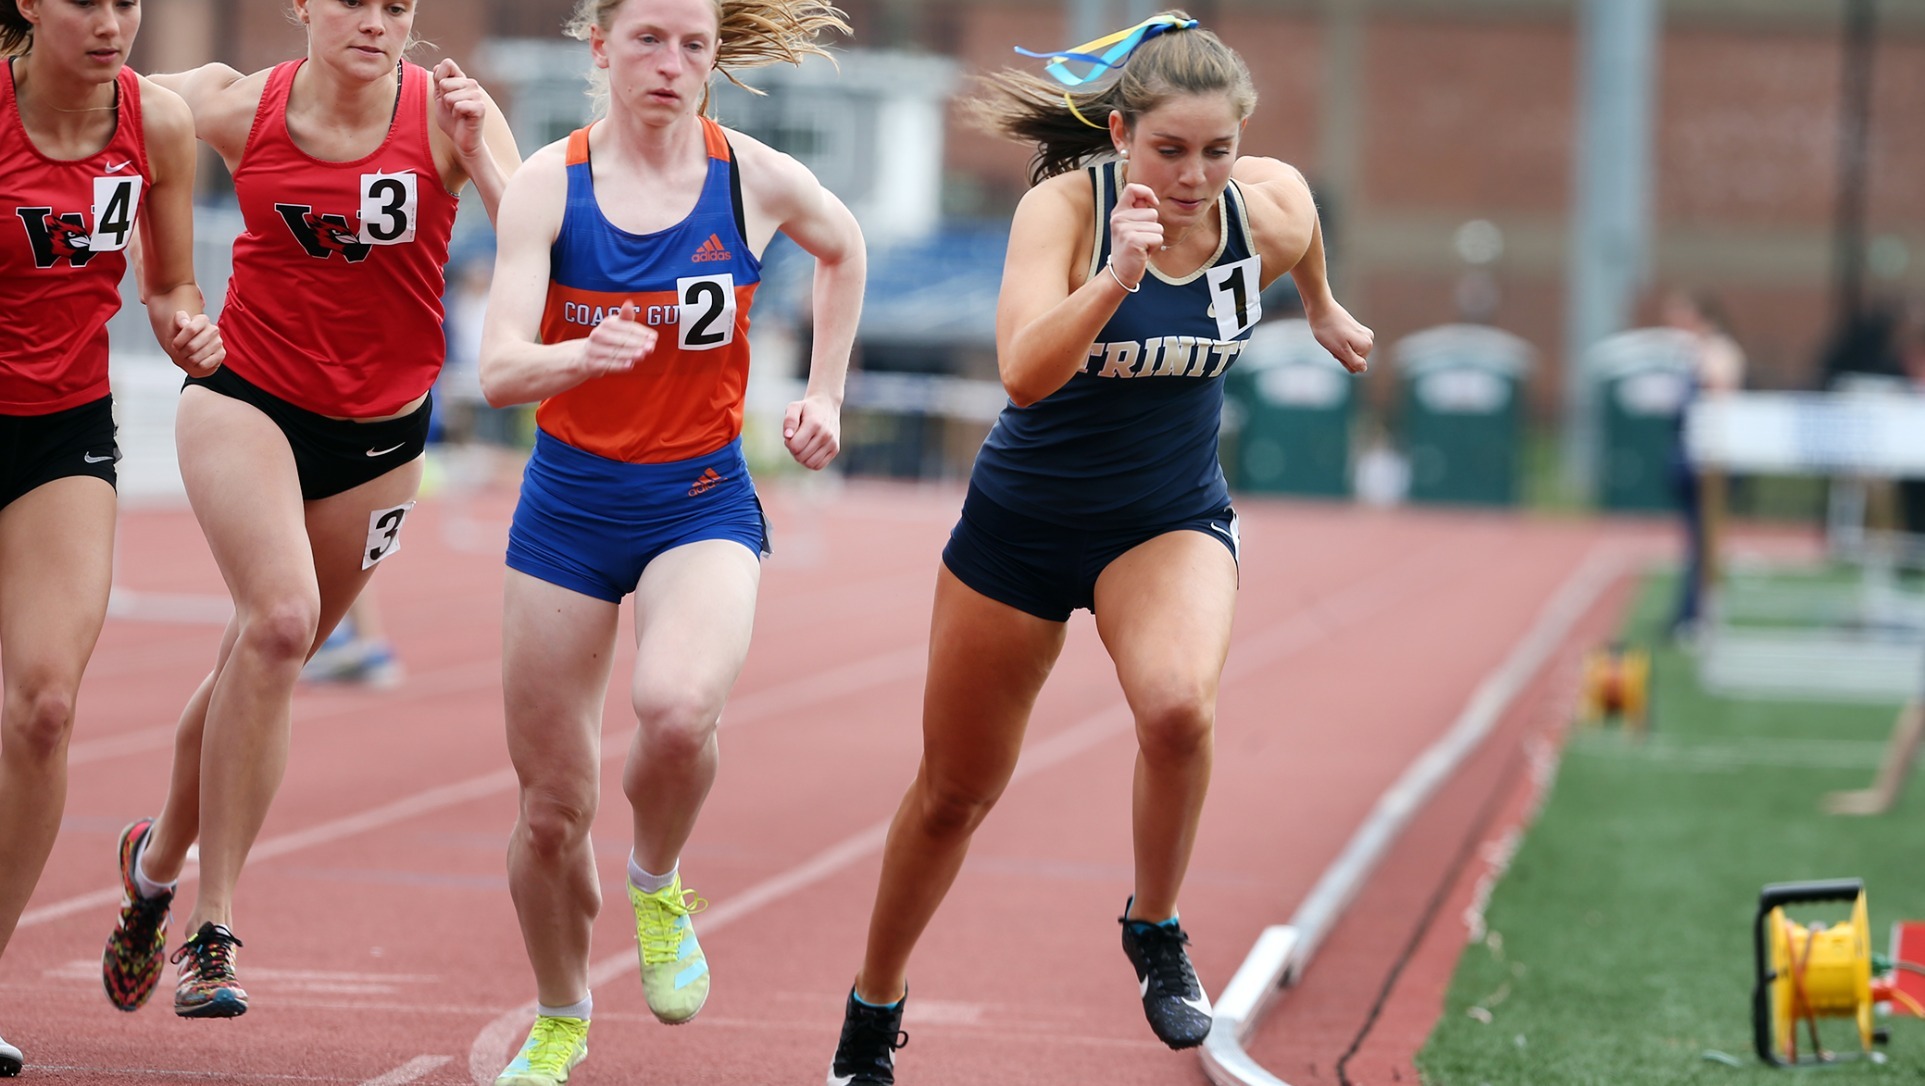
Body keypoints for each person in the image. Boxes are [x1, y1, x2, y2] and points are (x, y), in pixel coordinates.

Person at [825, 13, 1373, 1083]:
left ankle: (1154, 926)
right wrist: (1115, 276)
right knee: (952, 794)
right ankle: (872, 1006)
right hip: (1022, 528)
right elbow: (1022, 373)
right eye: (1169, 150)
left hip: (1164, 519)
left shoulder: (1262, 209)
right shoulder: (1064, 212)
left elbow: (1300, 219)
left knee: (1176, 709)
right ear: (1119, 135)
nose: (1193, 176)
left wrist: (1322, 306)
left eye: (1216, 151)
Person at [98, 0, 518, 1021]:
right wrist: (169, 293)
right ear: (302, 6)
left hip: (379, 437)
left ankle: (151, 866)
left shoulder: (449, 113)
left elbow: (546, 248)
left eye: (397, 7)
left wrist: (480, 155)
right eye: (354, 2)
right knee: (281, 624)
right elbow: (105, 116)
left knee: (258, 659)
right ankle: (213, 926)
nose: (376, 22)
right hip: (246, 394)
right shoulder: (234, 105)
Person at [476, 0, 863, 1081]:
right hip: (567, 507)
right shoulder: (549, 185)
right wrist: (576, 357)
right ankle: (561, 1016)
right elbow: (498, 369)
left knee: (678, 711)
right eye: (647, 38)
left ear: (713, 58)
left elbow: (843, 248)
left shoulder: (753, 180)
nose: (670, 63)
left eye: (693, 44)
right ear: (599, 44)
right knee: (550, 815)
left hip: (698, 498)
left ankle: (656, 883)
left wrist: (826, 393)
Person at [0, 0, 222, 1071]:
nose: (111, 22)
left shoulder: (157, 122)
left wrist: (183, 324)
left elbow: (168, 282)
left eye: (128, 0)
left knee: (45, 707)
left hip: (62, 430)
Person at [1662, 289, 1743, 640]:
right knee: (1694, 541)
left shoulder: (1718, 351)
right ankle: (1688, 611)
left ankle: (1698, 614)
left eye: (1681, 316)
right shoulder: (1690, 353)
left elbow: (1721, 399)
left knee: (1704, 539)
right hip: (1689, 452)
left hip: (1709, 457)